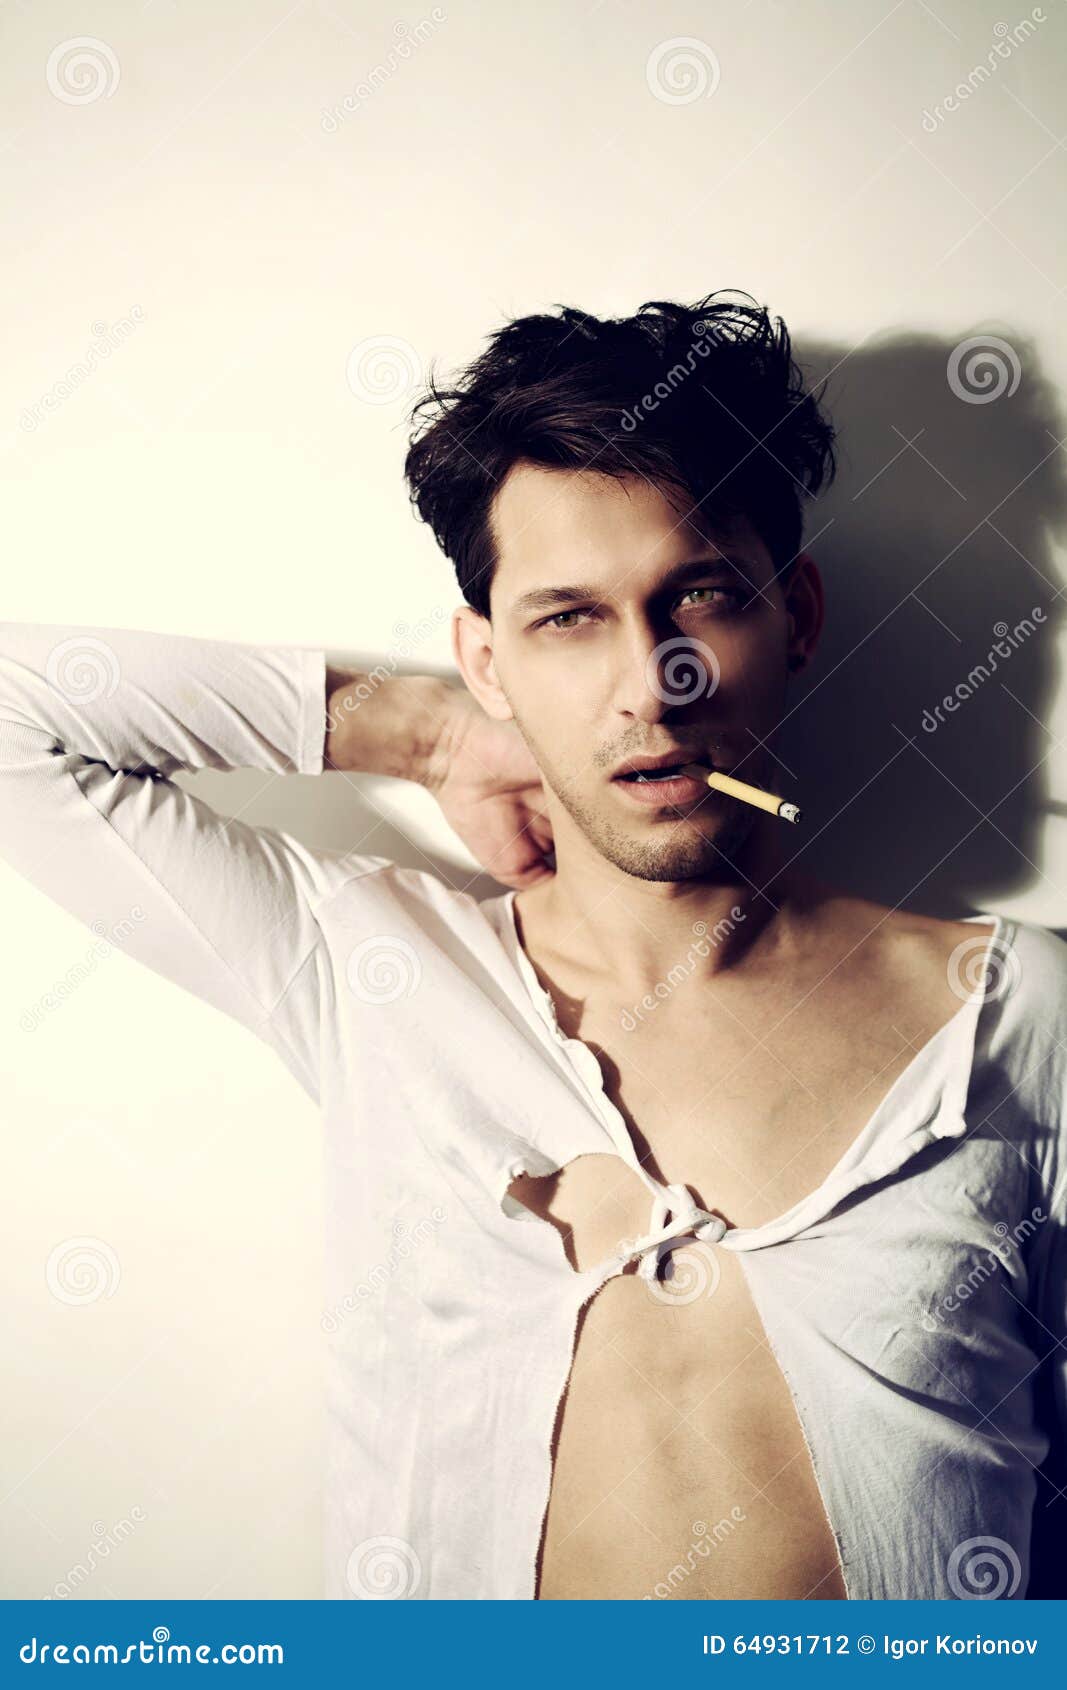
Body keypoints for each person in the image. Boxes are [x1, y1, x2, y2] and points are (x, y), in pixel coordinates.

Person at [2, 291, 1065, 1602]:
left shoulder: (1018, 1014)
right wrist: (424, 734)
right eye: (568, 618)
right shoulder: (375, 971)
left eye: (703, 598)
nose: (651, 684)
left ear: (795, 613)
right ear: (485, 658)